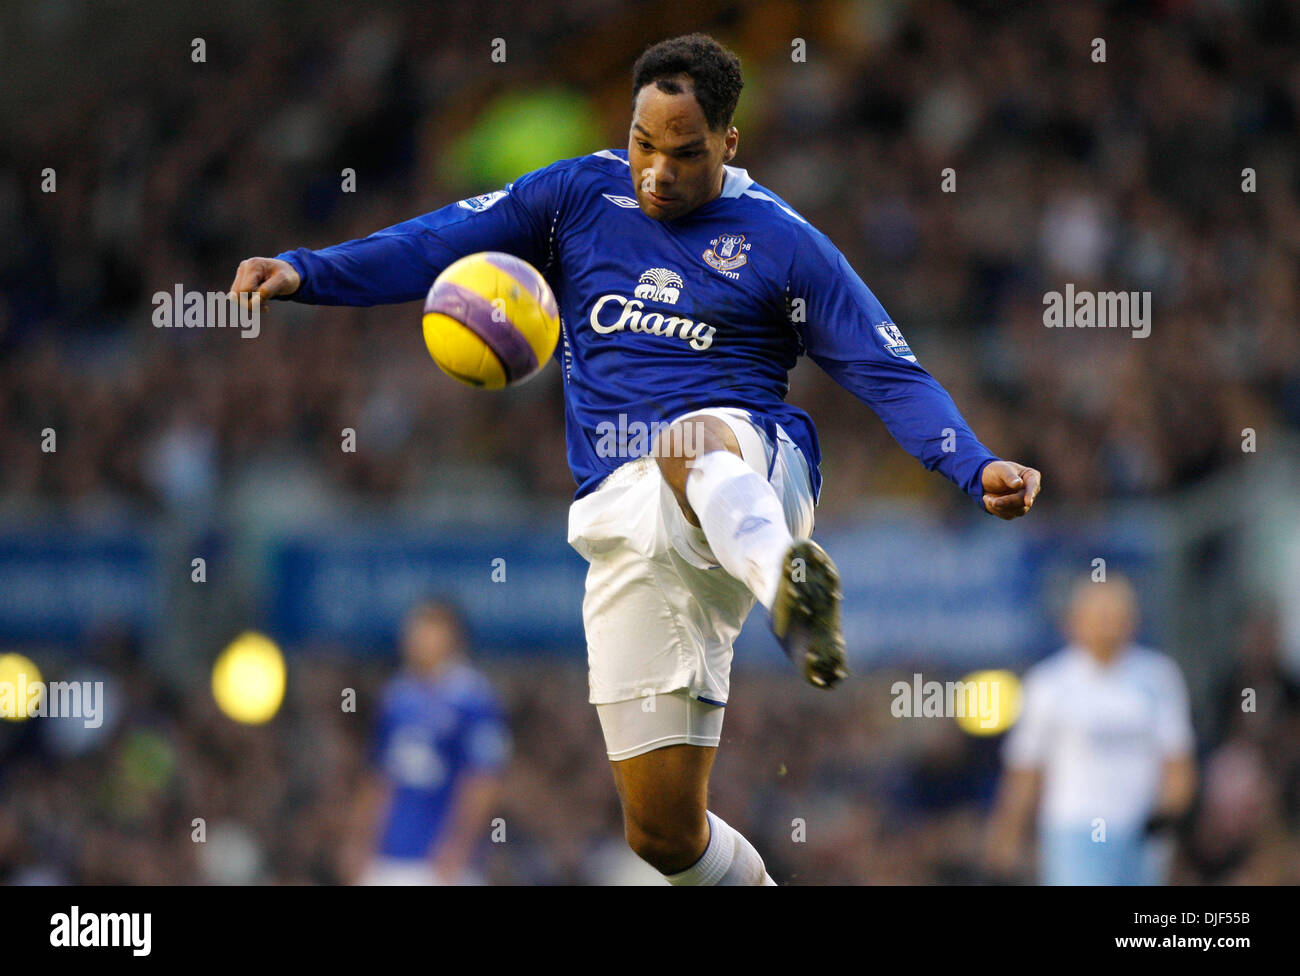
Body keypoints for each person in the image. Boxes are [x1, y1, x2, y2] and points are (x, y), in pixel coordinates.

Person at [231, 33, 1040, 886]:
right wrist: (306, 272)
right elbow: (444, 239)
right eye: (641, 143)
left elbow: (885, 370)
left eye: (682, 154)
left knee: (689, 444)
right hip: (623, 520)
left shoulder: (784, 242)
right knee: (662, 834)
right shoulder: (575, 196)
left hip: (752, 467)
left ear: (729, 143)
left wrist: (972, 463)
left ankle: (790, 587)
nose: (654, 171)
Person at [984, 577, 1197, 885]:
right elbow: (1026, 770)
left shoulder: (1158, 677)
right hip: (1075, 830)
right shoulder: (1049, 683)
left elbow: (1177, 760)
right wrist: (1008, 834)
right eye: (1100, 617)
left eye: (1116, 617)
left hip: (1142, 830)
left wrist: (1168, 820)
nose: (1108, 627)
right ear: (1075, 621)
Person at [353, 599, 509, 885]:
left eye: (429, 629)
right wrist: (362, 843)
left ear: (453, 637)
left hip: (442, 862)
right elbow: (379, 778)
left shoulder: (473, 698)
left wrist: (458, 847)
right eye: (415, 628)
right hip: (390, 856)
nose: (417, 637)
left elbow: (484, 780)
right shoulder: (396, 696)